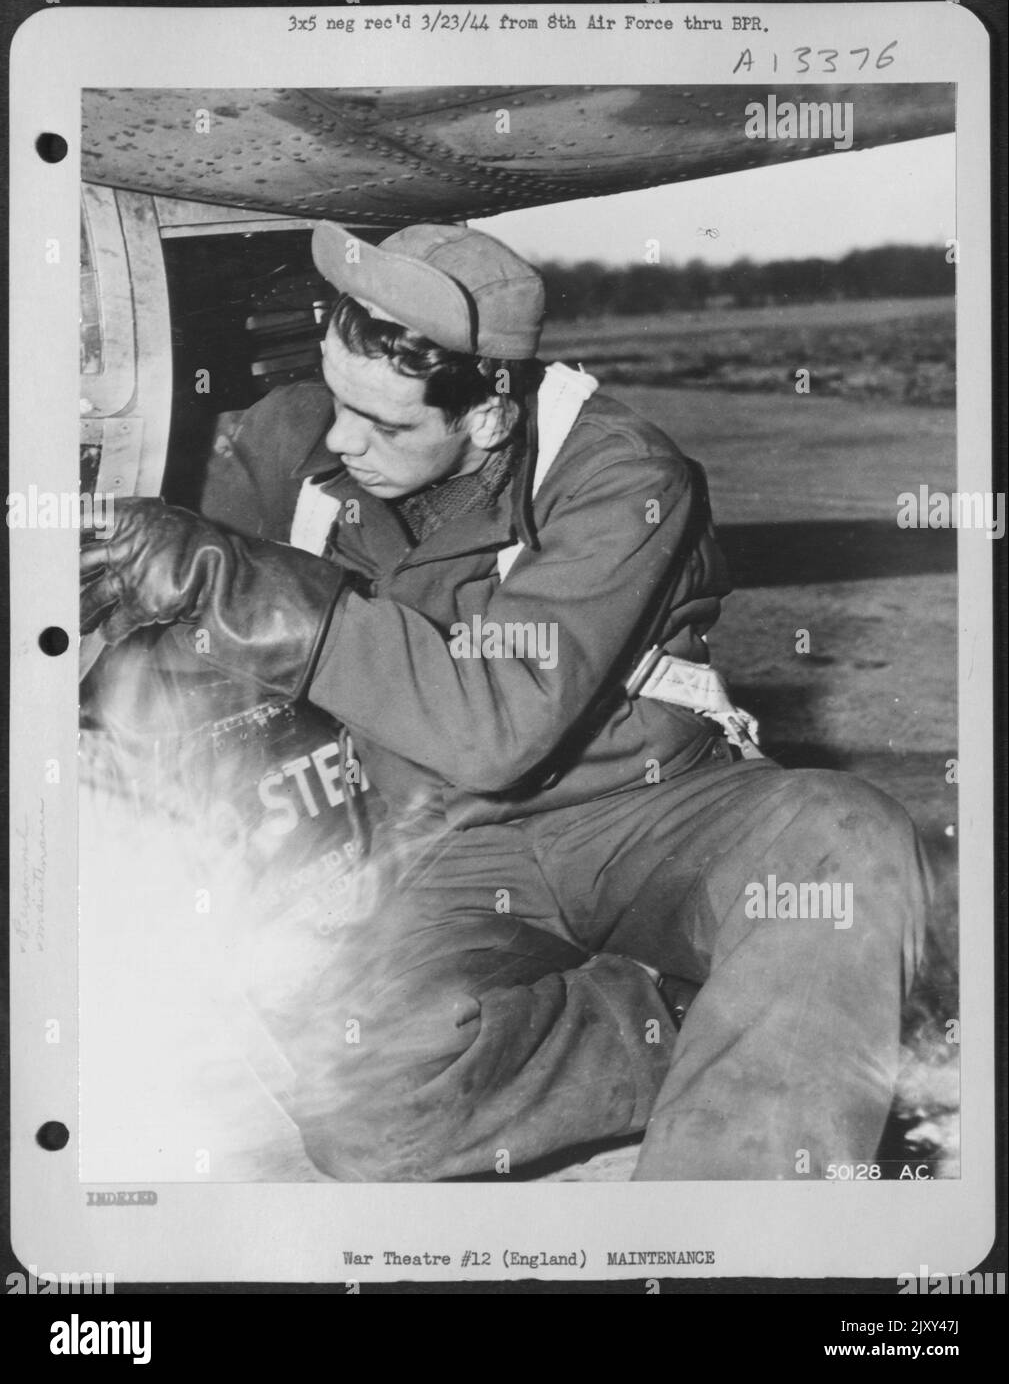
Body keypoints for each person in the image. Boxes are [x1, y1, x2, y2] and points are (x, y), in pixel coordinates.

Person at [80, 221, 931, 1181]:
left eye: (387, 426)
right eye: (336, 398)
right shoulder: (315, 428)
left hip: (647, 816)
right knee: (365, 1098)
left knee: (840, 838)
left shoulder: (622, 477)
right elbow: (142, 524)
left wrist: (233, 580)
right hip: (449, 842)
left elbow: (498, 726)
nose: (341, 440)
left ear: (487, 415)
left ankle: (727, 1230)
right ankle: (691, 1016)